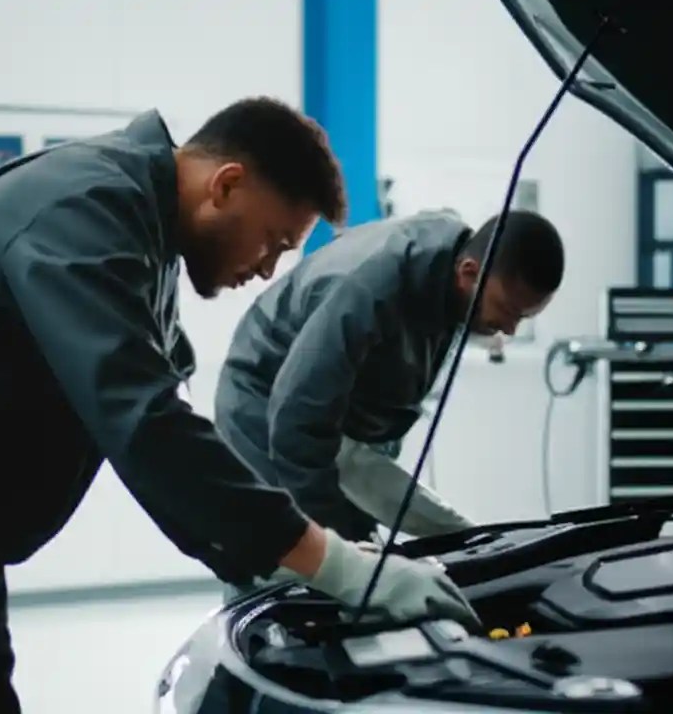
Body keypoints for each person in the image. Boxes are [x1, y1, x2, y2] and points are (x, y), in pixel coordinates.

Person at [0, 98, 481, 714]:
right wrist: (335, 565)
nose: (268, 268)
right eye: (274, 241)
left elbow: (167, 420)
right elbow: (144, 424)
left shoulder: (143, 231)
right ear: (227, 184)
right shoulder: (84, 209)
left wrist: (276, 549)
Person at [215, 209, 564, 597]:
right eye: (510, 311)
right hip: (263, 401)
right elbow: (297, 426)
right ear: (468, 273)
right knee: (282, 560)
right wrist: (341, 551)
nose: (510, 329)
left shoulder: (448, 271)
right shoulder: (371, 286)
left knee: (362, 554)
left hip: (326, 419)